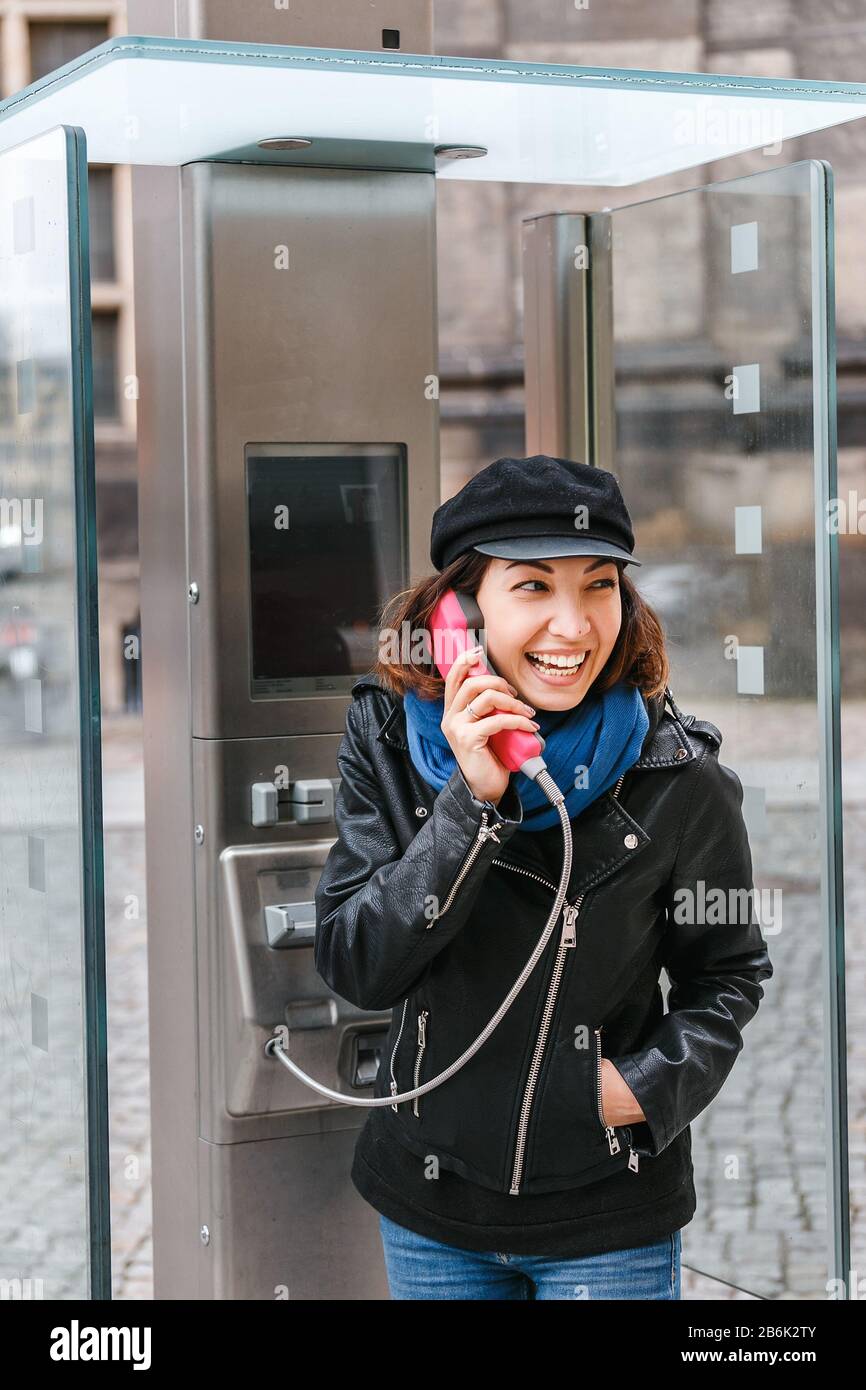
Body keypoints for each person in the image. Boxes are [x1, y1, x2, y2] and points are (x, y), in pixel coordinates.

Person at [314, 454, 774, 1300]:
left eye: (598, 586)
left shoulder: (678, 775)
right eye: (532, 587)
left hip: (607, 1218)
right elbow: (356, 961)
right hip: (429, 1204)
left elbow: (730, 972)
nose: (573, 626)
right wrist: (471, 802)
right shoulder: (383, 747)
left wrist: (637, 1089)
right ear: (458, 612)